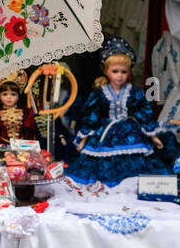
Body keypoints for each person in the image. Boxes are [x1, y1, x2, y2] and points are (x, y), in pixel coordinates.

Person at [67, 38, 170, 186]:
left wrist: (153, 136)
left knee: (134, 162)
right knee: (102, 162)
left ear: (129, 73)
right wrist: (83, 140)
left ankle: (128, 185)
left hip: (130, 134)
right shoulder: (99, 93)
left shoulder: (135, 93)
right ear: (106, 71)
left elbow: (144, 113)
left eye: (123, 72)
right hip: (105, 133)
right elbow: (92, 116)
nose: (119, 75)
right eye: (115, 71)